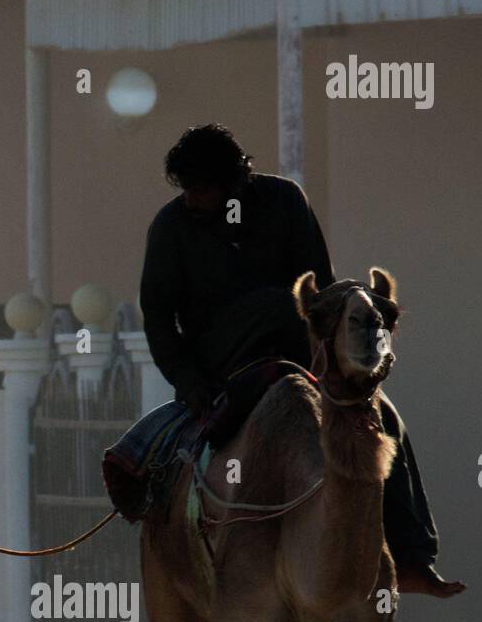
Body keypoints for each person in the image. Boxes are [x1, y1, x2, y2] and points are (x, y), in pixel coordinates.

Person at [139, 123, 464, 597]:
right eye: (186, 189)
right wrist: (190, 382)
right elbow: (159, 321)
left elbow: (321, 292)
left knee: (384, 422)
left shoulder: (286, 201)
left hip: (303, 359)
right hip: (221, 369)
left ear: (235, 182)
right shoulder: (171, 228)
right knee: (152, 459)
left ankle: (412, 556)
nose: (192, 199)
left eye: (202, 189)